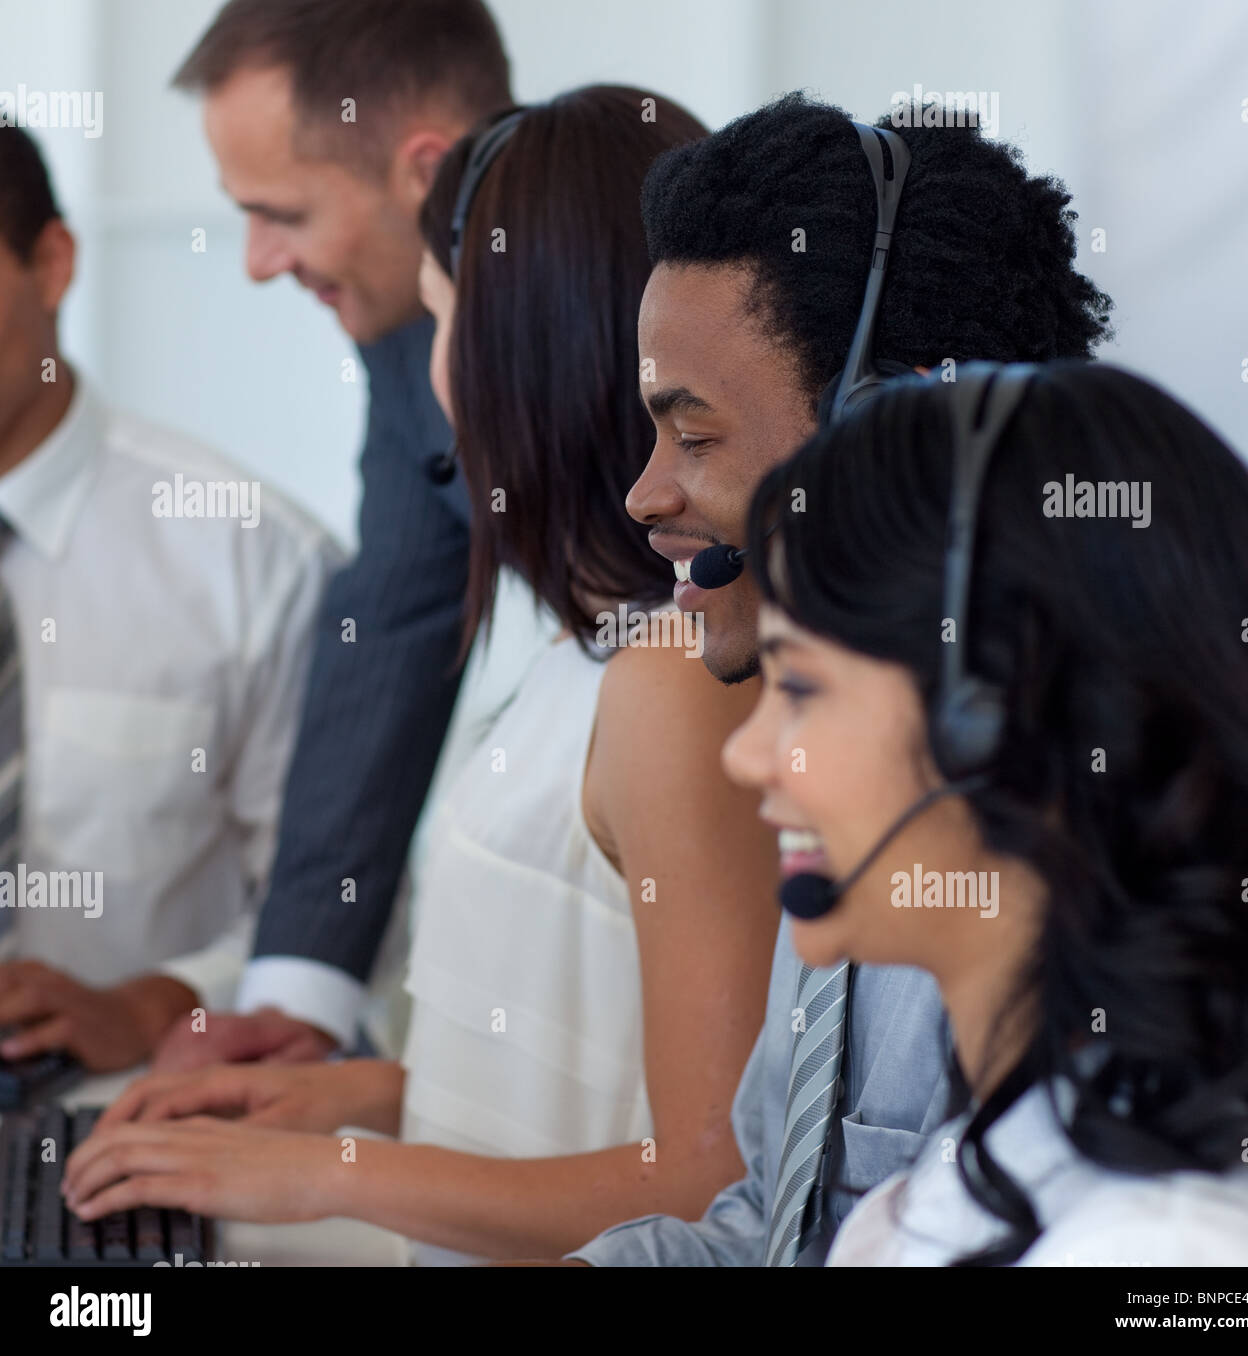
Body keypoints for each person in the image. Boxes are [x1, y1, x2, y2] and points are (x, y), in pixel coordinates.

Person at [63, 85, 784, 1264]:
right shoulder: (588, 654)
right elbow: (568, 1055)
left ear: (516, 356)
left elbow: (709, 1182)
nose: (430, 370)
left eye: (441, 318)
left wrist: (323, 1172)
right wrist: (362, 1099)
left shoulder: (669, 686)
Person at [569, 92, 1114, 1265]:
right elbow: (763, 1233)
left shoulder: (1078, 896)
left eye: (695, 436)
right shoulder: (852, 820)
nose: (644, 494)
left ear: (890, 425)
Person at [726, 361, 1248, 1265]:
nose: (744, 754)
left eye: (800, 686)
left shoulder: (1166, 1255)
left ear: (998, 722)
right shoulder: (984, 1166)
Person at [155, 0, 520, 1068]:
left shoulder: (668, 309)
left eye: (283, 214)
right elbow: (393, 624)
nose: (259, 263)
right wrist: (295, 1000)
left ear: (425, 168)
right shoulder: (408, 333)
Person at [0, 127, 338, 1070]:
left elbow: (342, 914)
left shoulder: (254, 554)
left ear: (52, 263)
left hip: (132, 1127)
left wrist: (163, 1006)